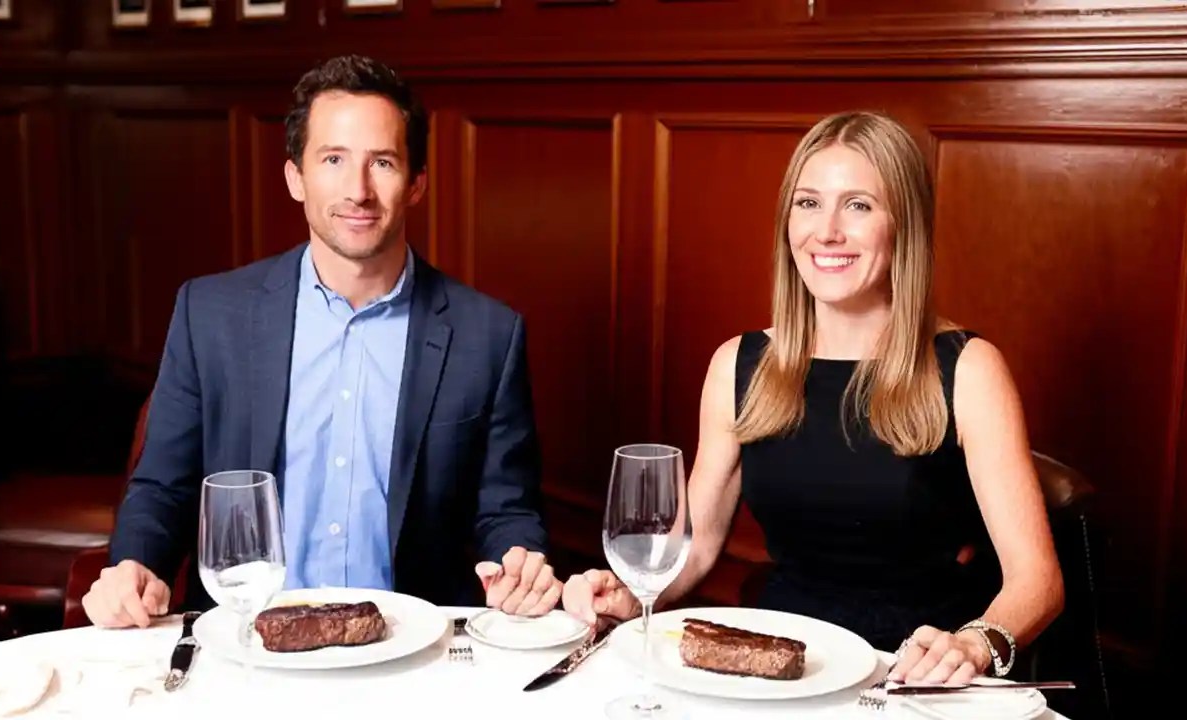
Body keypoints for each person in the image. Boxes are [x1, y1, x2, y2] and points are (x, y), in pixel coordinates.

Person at [563, 111, 1064, 686]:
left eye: (858, 205)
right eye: (808, 203)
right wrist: (628, 593)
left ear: (904, 225)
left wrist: (974, 645)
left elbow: (1038, 581)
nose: (826, 231)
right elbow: (693, 552)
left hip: (916, 679)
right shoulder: (739, 365)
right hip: (782, 669)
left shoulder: (969, 369)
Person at [84, 55, 562, 628]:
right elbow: (163, 488)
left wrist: (520, 563)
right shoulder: (211, 314)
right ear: (296, 177)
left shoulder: (488, 336)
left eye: (382, 162)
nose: (357, 190)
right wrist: (134, 564)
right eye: (333, 159)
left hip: (412, 655)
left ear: (416, 184)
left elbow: (507, 510)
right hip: (248, 646)